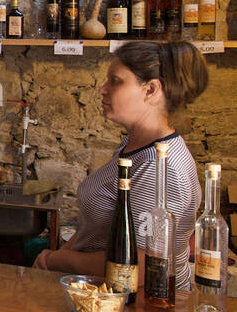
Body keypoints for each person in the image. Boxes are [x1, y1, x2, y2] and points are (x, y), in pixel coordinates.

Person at [34, 41, 210, 290]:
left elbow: (139, 269)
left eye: (116, 81)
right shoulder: (134, 144)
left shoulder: (160, 167)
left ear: (150, 90)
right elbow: (96, 226)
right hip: (102, 296)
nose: (103, 90)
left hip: (138, 310)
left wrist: (58, 259)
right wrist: (55, 261)